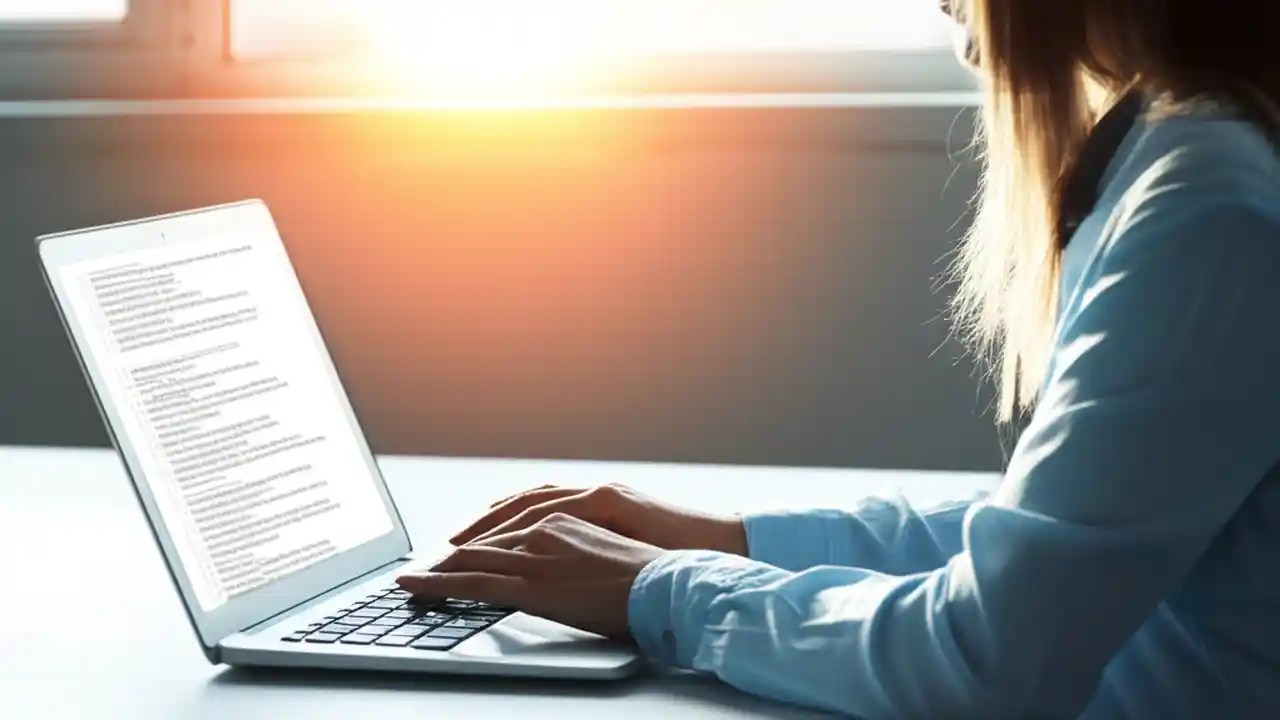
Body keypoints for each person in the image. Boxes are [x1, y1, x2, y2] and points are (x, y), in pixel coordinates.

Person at [398, 1, 1280, 717]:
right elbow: (1060, 535)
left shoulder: (1206, 207)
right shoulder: (1190, 152)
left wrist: (659, 589)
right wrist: (730, 539)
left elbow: (984, 660)